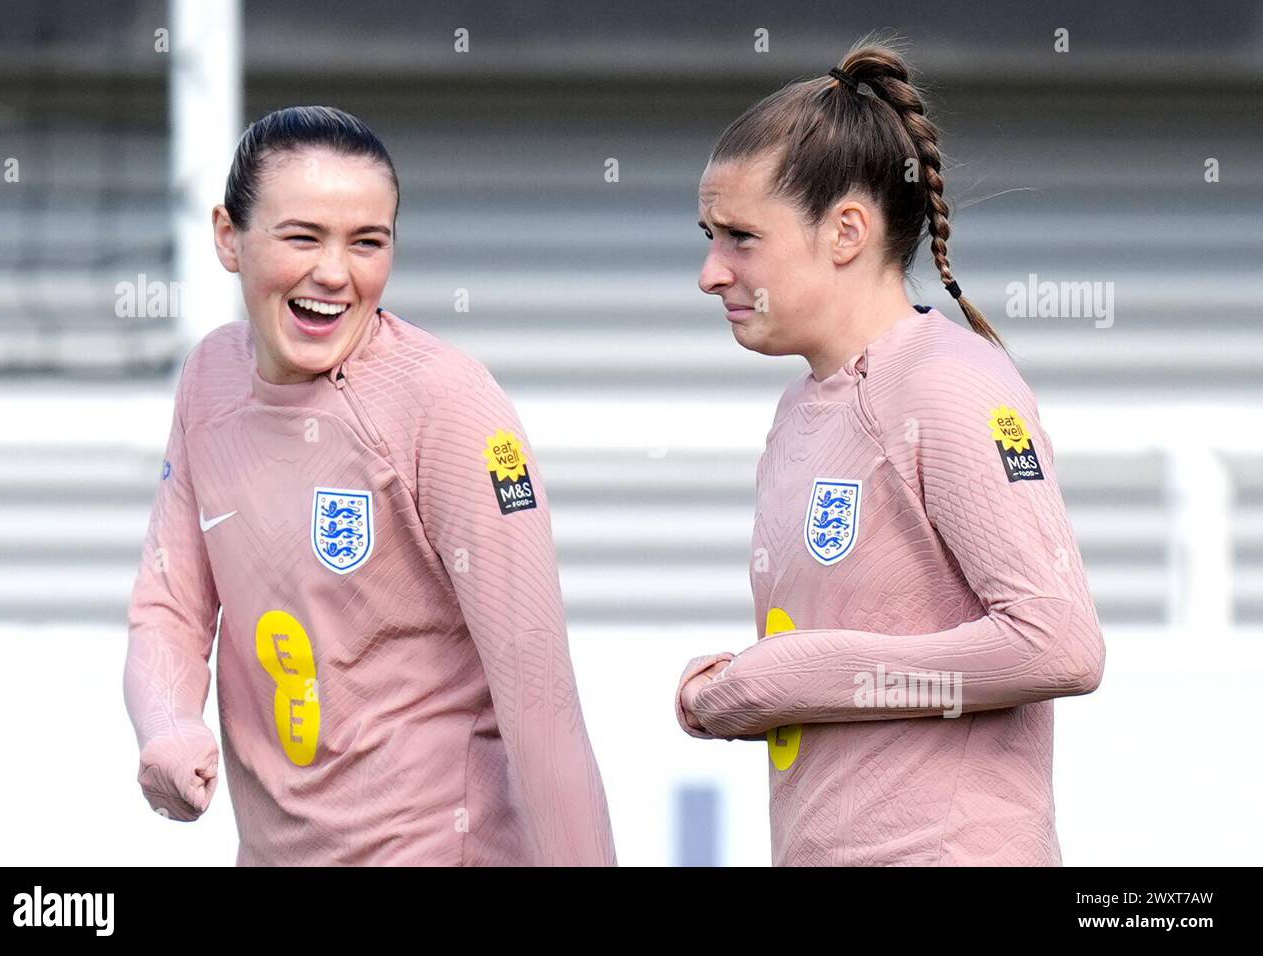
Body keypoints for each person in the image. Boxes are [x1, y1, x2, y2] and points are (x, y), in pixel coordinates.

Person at [124, 106, 616, 866]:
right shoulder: (209, 382)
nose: (334, 272)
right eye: (302, 237)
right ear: (229, 237)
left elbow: (541, 703)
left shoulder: (447, 405)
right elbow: (169, 608)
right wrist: (166, 725)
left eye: (367, 243)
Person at [676, 36, 1105, 866]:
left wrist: (795, 678)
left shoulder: (948, 387)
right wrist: (746, 682)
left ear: (845, 232)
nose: (709, 271)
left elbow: (1059, 643)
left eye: (739, 238)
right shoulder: (804, 404)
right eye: (708, 234)